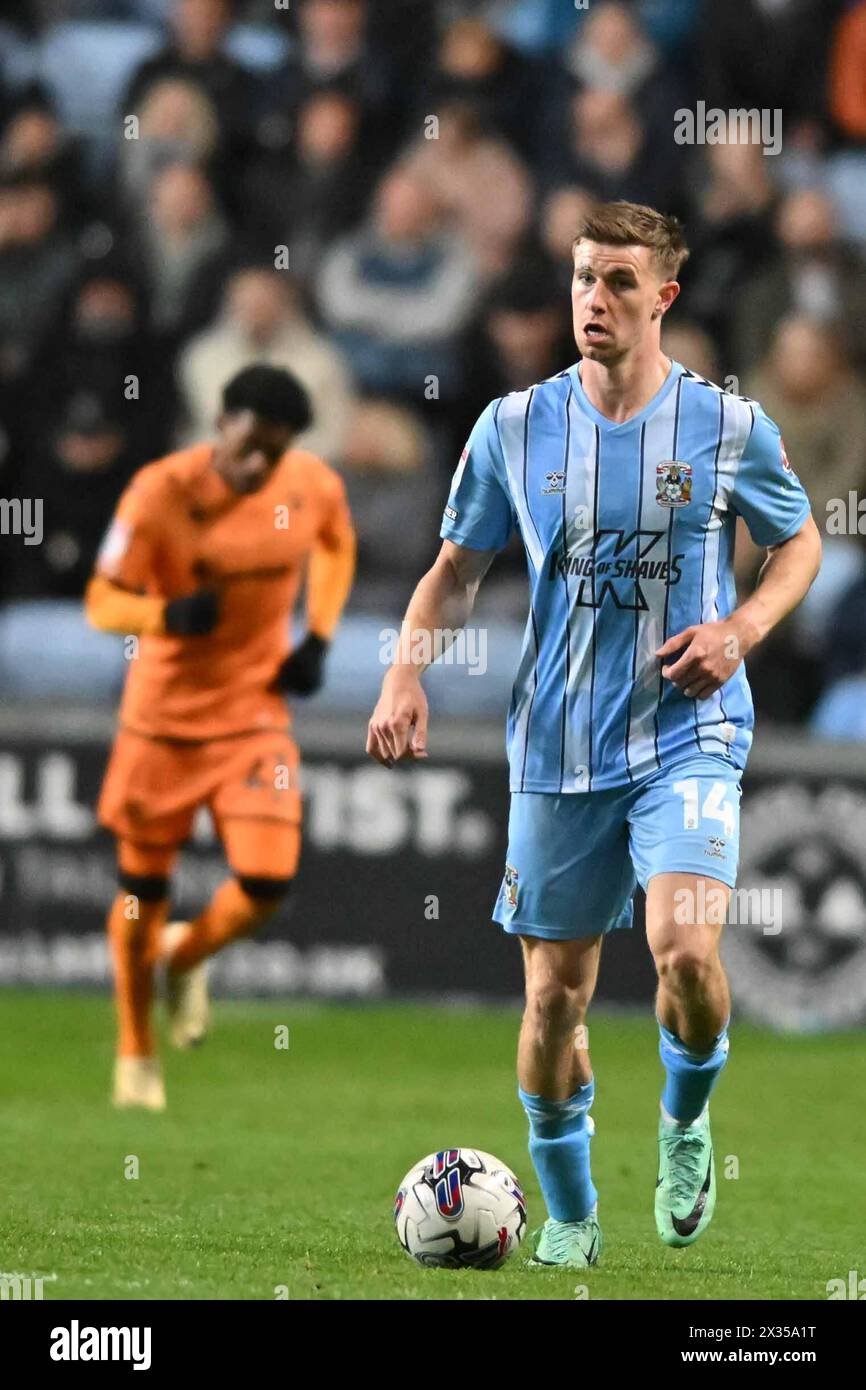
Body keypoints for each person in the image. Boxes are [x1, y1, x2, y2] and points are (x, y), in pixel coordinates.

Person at [366, 200, 822, 1267]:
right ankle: (568, 1216)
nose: (592, 300)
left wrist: (739, 629)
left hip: (689, 731)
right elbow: (452, 574)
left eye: (618, 282)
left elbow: (796, 543)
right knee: (550, 1001)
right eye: (581, 278)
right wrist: (402, 677)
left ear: (661, 297)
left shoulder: (725, 426)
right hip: (560, 747)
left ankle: (682, 1122)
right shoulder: (513, 428)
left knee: (684, 950)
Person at [86, 364, 356, 1111]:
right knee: (143, 893)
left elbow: (336, 543)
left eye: (275, 452)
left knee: (267, 884)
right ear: (219, 424)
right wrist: (162, 617)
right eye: (248, 447)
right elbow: (101, 599)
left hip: (254, 716)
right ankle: (135, 1051)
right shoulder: (159, 493)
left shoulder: (309, 485)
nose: (259, 466)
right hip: (162, 724)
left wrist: (320, 637)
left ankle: (186, 952)